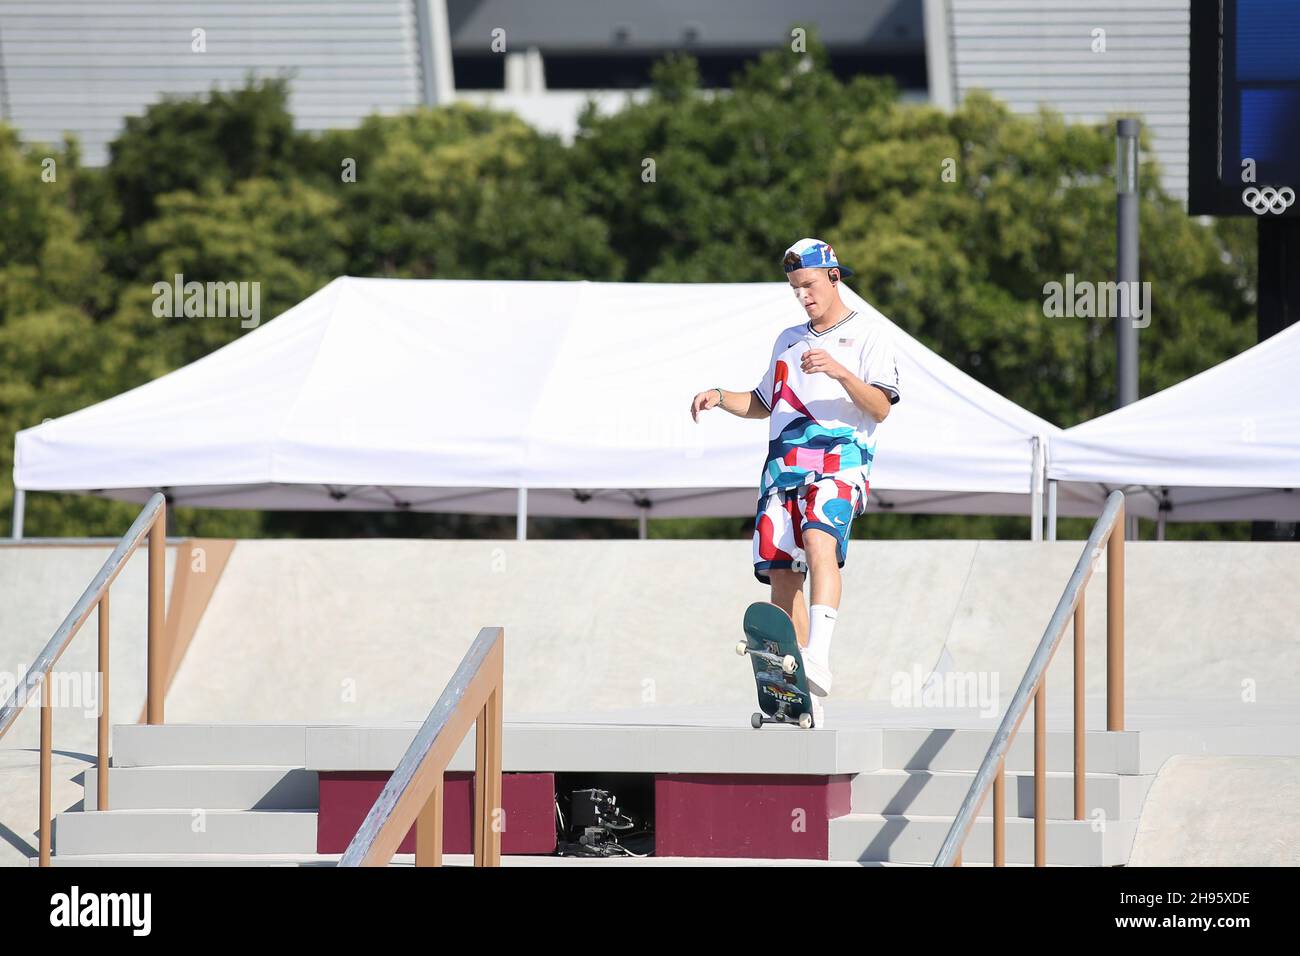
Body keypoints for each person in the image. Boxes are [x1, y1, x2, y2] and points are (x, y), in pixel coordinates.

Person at [690, 238, 901, 727]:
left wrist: (840, 370)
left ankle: (820, 655)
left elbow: (881, 408)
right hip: (782, 466)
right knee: (782, 572)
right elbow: (764, 401)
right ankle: (798, 688)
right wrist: (720, 395)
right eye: (794, 288)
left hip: (839, 459)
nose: (802, 295)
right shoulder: (788, 338)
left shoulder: (870, 334)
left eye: (808, 285)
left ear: (834, 278)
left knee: (818, 540)